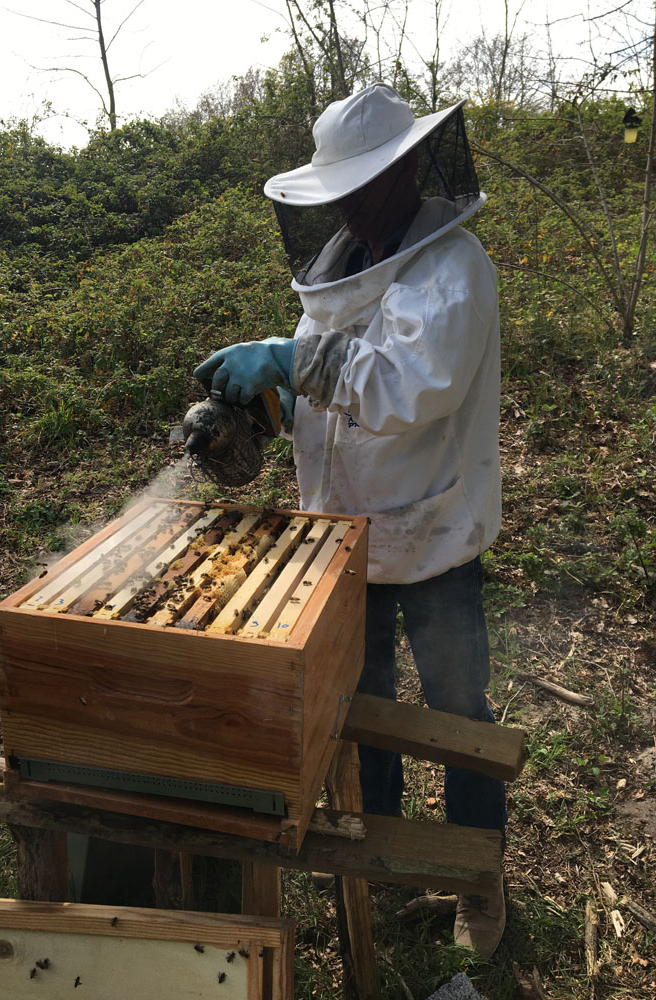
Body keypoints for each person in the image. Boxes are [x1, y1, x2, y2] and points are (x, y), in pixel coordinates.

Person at [195, 83, 506, 956]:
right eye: (339, 191)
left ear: (405, 171)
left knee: (458, 713)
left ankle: (480, 882)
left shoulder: (455, 270)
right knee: (361, 707)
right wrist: (261, 409)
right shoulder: (343, 265)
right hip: (342, 534)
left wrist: (290, 360)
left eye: (361, 186)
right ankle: (382, 868)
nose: (347, 206)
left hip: (433, 535)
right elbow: (325, 382)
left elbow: (405, 387)